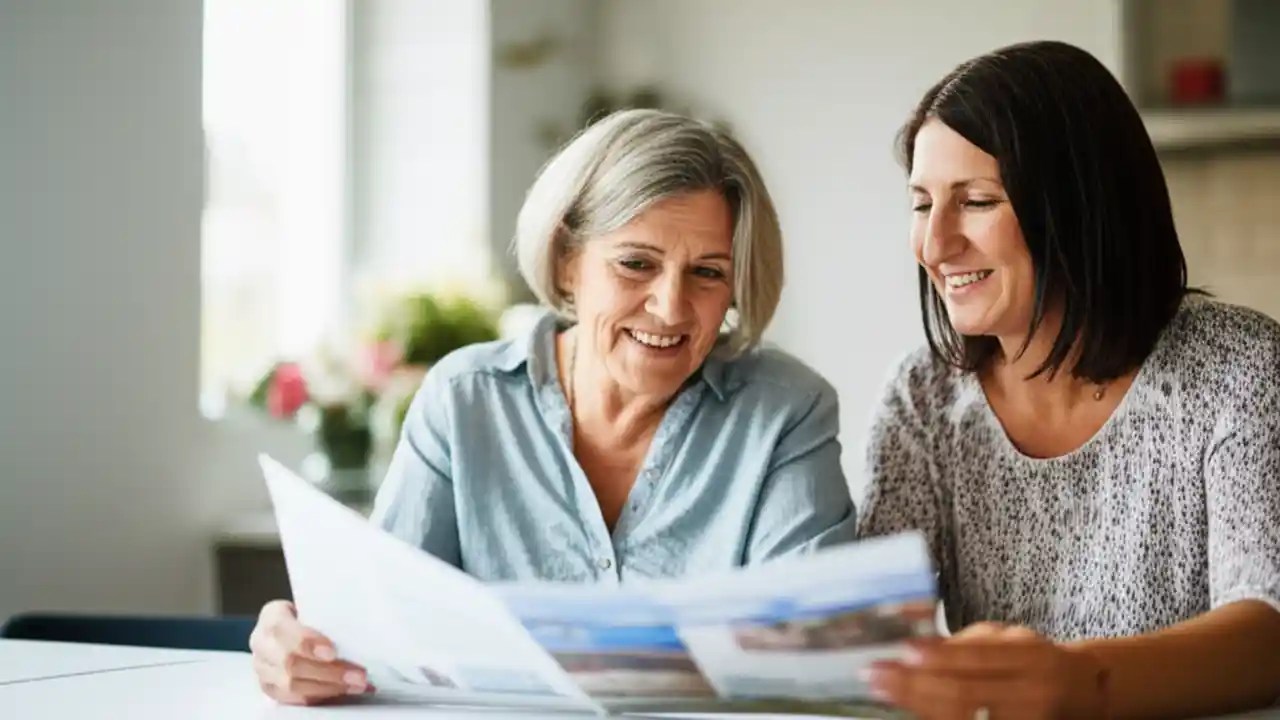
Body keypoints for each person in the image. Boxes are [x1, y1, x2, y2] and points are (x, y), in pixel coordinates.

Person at [250, 109, 857, 705]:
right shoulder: (466, 400)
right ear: (569, 258)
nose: (672, 307)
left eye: (706, 272)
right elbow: (381, 632)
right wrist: (302, 646)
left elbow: (815, 661)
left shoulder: (785, 411)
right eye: (636, 263)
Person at [857, 40, 1280, 719]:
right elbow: (867, 635)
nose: (935, 245)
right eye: (921, 204)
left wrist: (1080, 682)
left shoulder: (1238, 368)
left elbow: (1269, 630)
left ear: (1079, 205)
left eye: (976, 201)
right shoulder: (922, 398)